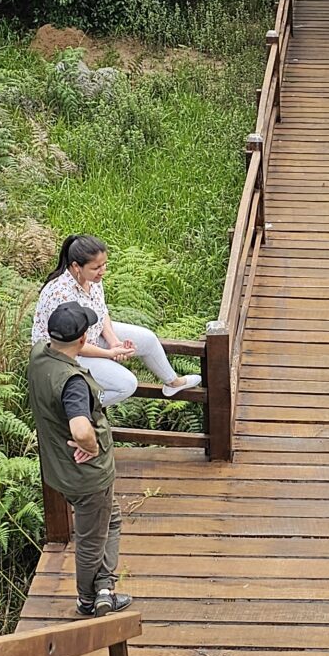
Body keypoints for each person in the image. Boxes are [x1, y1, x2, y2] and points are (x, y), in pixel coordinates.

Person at [26, 299, 132, 616]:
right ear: (83, 340)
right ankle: (89, 599)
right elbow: (81, 428)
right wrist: (93, 446)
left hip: (57, 467)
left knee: (109, 520)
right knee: (90, 537)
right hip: (86, 475)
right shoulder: (72, 383)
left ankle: (104, 587)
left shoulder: (40, 355)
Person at [31, 234, 201, 409]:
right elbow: (72, 344)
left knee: (148, 339)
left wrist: (114, 342)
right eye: (97, 267)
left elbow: (101, 310)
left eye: (104, 264)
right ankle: (73, 411)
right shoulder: (60, 293)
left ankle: (173, 383)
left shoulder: (93, 279)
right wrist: (110, 354)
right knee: (126, 384)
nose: (103, 270)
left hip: (90, 336)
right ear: (76, 266)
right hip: (65, 355)